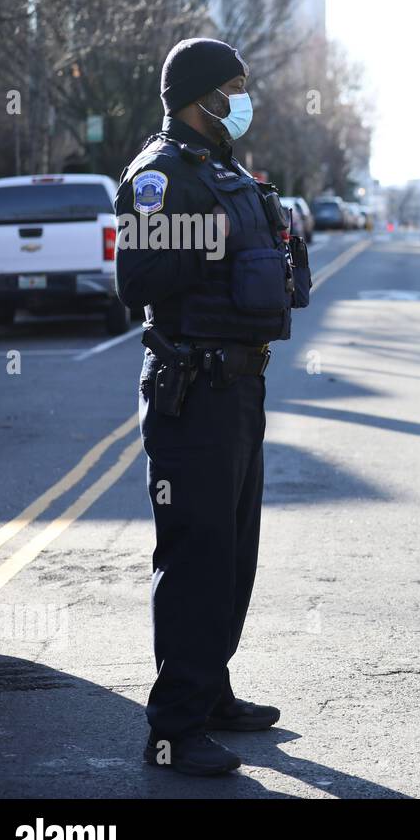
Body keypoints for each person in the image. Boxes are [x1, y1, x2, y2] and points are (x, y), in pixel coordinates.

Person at [115, 38, 311, 776]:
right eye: (234, 85)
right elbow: (137, 280)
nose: (244, 96)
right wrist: (217, 240)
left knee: (232, 554)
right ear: (201, 94)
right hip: (191, 390)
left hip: (239, 386)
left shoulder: (221, 167)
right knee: (195, 558)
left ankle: (212, 689)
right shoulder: (160, 175)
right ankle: (173, 728)